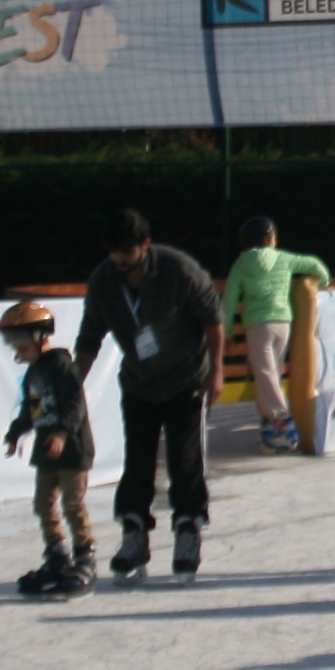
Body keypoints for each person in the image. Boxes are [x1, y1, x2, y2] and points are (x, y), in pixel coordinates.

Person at [71, 209, 226, 580]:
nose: (120, 259)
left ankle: (188, 530)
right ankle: (134, 533)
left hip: (185, 378)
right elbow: (90, 335)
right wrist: (73, 381)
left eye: (127, 251)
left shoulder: (178, 270)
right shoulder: (105, 280)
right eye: (114, 252)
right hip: (140, 383)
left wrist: (217, 371)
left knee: (184, 459)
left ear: (146, 245)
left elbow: (212, 319)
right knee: (137, 461)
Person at [0, 299, 96, 599]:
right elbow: (31, 409)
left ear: (41, 337)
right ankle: (56, 555)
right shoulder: (33, 373)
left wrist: (63, 433)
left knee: (72, 505)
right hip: (46, 451)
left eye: (21, 342)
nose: (17, 349)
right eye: (12, 343)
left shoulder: (61, 365)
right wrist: (16, 432)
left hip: (72, 450)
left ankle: (84, 557)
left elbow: (75, 404)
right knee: (42, 503)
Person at [221, 219, 333, 455]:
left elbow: (229, 300)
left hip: (257, 325)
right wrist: (322, 284)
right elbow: (314, 265)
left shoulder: (240, 265)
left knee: (265, 372)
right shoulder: (284, 258)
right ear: (270, 236)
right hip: (283, 321)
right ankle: (270, 429)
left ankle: (282, 421)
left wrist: (228, 330)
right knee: (271, 373)